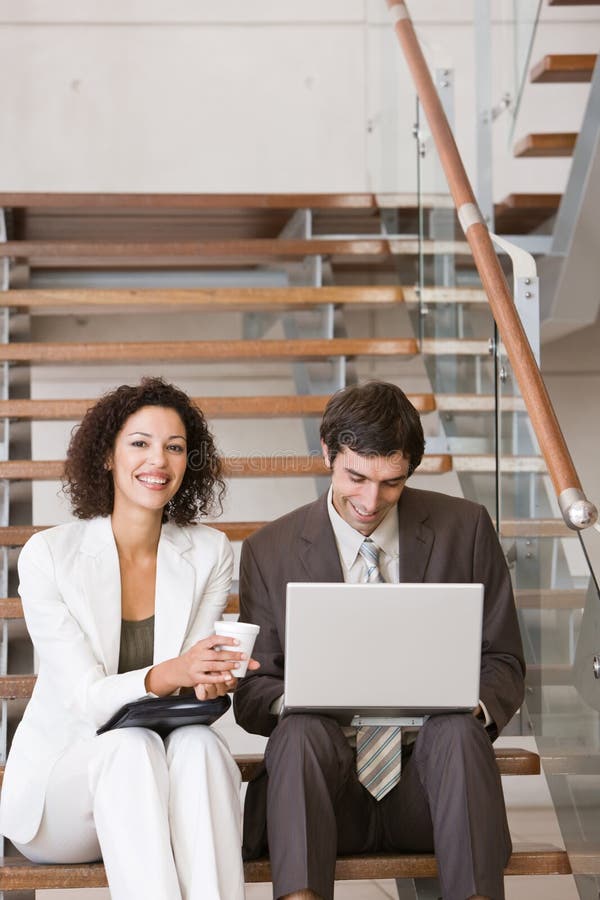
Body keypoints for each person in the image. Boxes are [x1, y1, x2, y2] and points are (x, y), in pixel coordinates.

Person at [233, 381, 525, 900]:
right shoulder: (268, 550)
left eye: (392, 482)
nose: (371, 501)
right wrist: (301, 697)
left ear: (410, 469)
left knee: (459, 731)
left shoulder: (466, 529)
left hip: (432, 790)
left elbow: (503, 659)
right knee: (298, 733)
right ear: (327, 452)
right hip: (326, 794)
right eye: (356, 477)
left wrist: (468, 703)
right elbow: (253, 693)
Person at [0, 376, 258, 900]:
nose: (157, 460)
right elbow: (87, 699)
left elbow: (187, 684)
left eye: (175, 447)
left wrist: (210, 679)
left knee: (203, 746)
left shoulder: (209, 552)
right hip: (64, 795)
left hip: (159, 776)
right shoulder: (50, 556)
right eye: (140, 443)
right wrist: (174, 671)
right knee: (128, 746)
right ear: (107, 456)